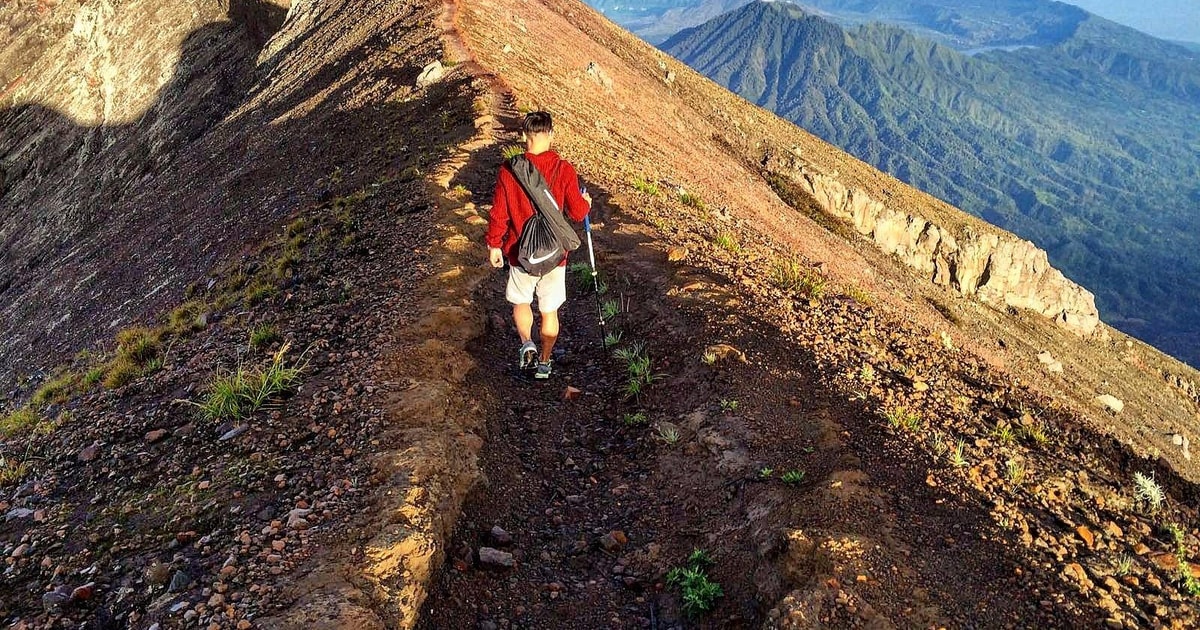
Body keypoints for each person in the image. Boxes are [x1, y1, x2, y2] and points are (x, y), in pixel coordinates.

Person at [486, 111, 592, 380]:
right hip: (555, 255)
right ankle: (544, 362)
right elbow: (578, 213)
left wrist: (494, 245)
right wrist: (587, 203)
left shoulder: (509, 171)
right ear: (551, 134)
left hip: (519, 251)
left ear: (524, 136)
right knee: (549, 309)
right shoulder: (563, 169)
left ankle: (526, 344)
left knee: (521, 301)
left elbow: (499, 212)